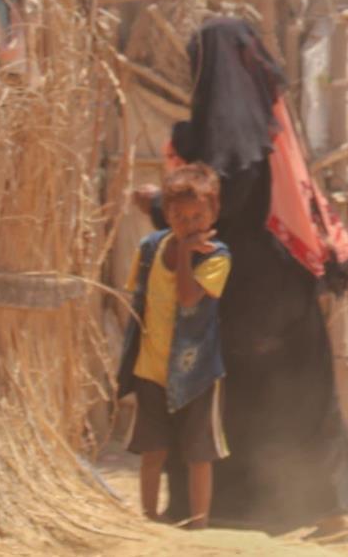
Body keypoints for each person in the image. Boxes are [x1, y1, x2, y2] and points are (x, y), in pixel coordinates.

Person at [161, 18, 348, 534]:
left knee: (240, 395)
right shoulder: (270, 132)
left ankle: (242, 505)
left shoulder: (207, 137)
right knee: (300, 393)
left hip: (232, 285)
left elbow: (218, 199)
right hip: (283, 278)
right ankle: (323, 505)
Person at [117, 163, 232, 530]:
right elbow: (138, 299)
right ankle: (150, 519)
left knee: (199, 454)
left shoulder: (217, 256)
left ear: (214, 213)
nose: (189, 223)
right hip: (151, 369)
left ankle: (199, 524)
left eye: (198, 215)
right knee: (154, 451)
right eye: (180, 216)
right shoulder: (150, 249)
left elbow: (187, 299)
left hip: (197, 373)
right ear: (166, 214)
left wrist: (184, 252)